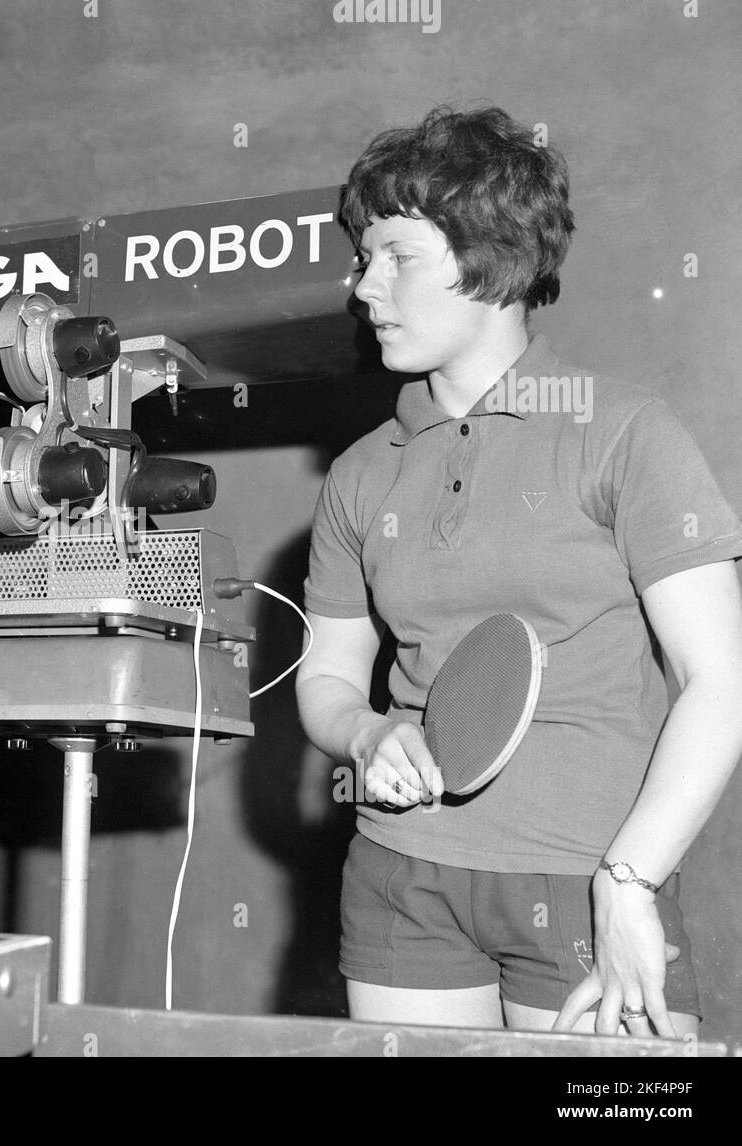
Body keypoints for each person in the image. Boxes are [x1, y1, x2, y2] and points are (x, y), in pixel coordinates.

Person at [296, 106, 742, 1040]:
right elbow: (328, 679)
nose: (363, 287)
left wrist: (629, 883)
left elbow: (723, 683)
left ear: (488, 257)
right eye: (361, 257)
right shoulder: (359, 472)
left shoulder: (624, 431)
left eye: (395, 256)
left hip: (587, 880)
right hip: (401, 880)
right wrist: (366, 736)